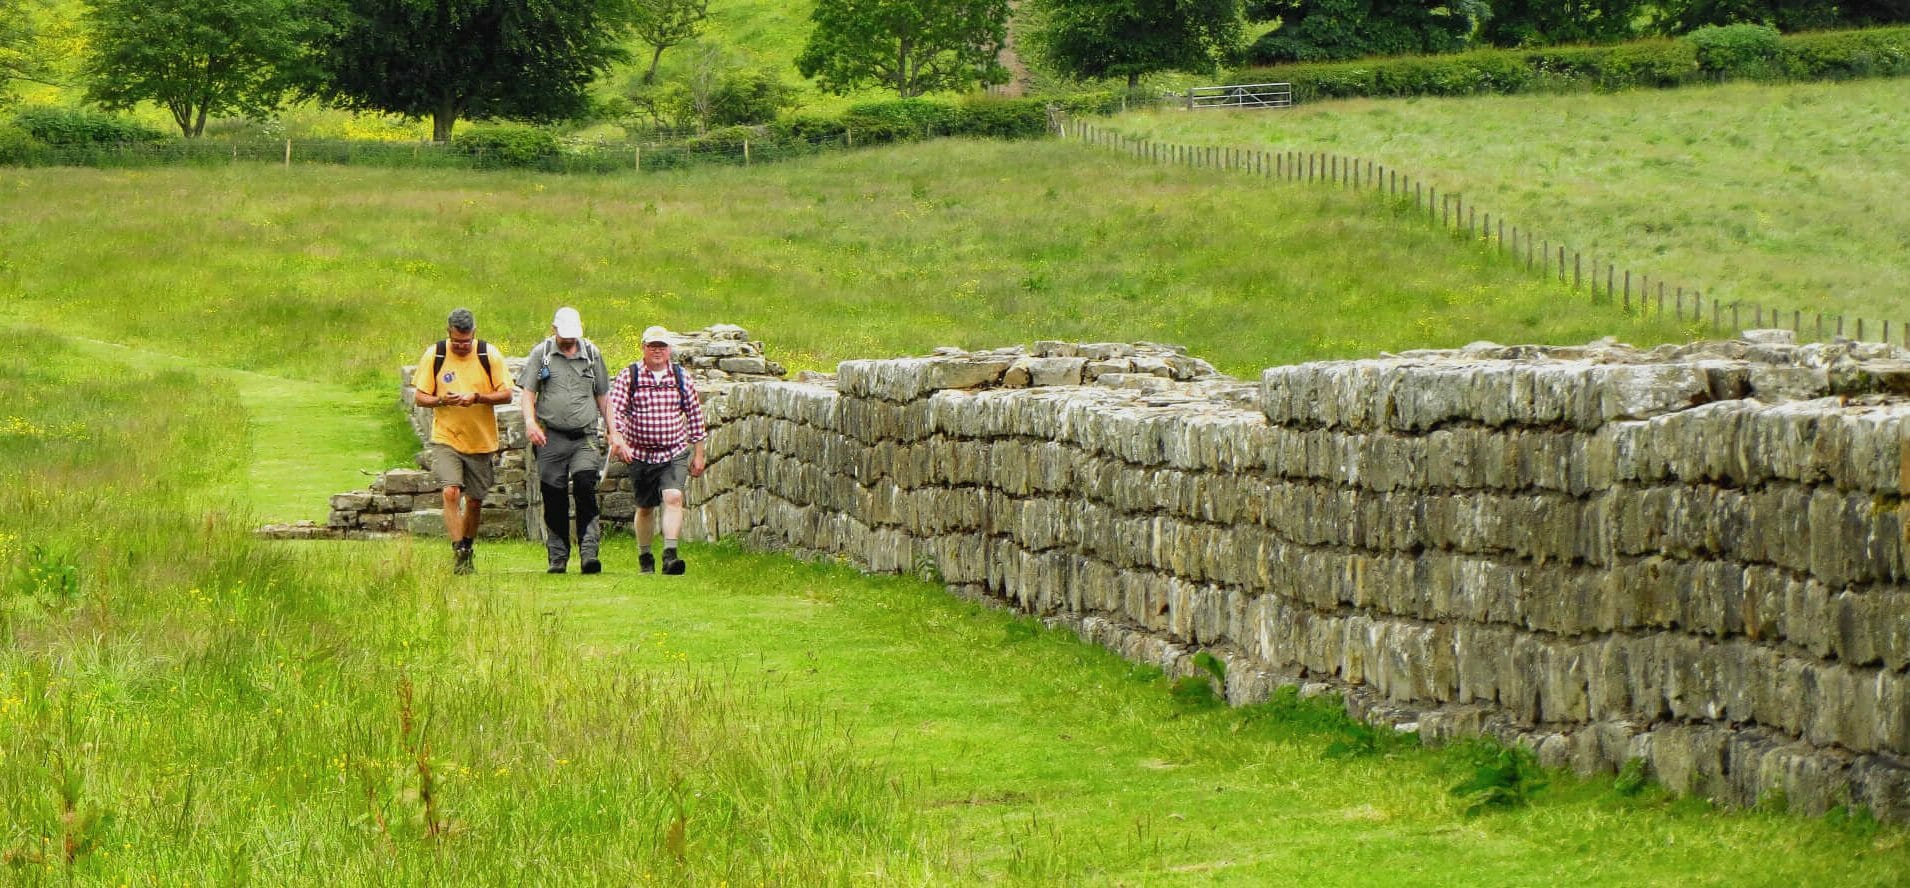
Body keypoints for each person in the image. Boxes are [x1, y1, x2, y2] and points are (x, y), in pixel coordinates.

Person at [411, 308, 514, 574]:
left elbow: (506, 394)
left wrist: (477, 397)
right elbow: (420, 397)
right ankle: (458, 549)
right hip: (446, 437)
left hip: (480, 440)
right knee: (451, 491)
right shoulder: (435, 355)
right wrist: (441, 400)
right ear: (449, 333)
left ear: (474, 334)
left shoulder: (488, 355)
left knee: (475, 501)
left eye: (466, 342)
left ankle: (468, 546)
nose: (461, 346)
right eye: (456, 341)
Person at [518, 306, 614, 574]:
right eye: (564, 335)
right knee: (553, 494)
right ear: (554, 330)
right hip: (550, 437)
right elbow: (528, 393)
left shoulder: (592, 354)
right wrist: (530, 423)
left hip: (585, 437)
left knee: (585, 486)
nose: (569, 340)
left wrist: (613, 430)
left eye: (573, 335)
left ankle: (589, 553)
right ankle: (558, 556)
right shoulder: (542, 354)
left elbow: (603, 396)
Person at [607, 326, 706, 575]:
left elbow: (695, 415)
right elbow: (615, 411)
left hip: (673, 451)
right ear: (643, 348)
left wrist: (699, 453)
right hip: (640, 454)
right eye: (652, 346)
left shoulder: (680, 377)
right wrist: (619, 440)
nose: (657, 351)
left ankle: (670, 555)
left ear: (669, 349)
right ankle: (645, 556)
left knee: (673, 497)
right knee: (645, 507)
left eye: (662, 346)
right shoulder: (630, 375)